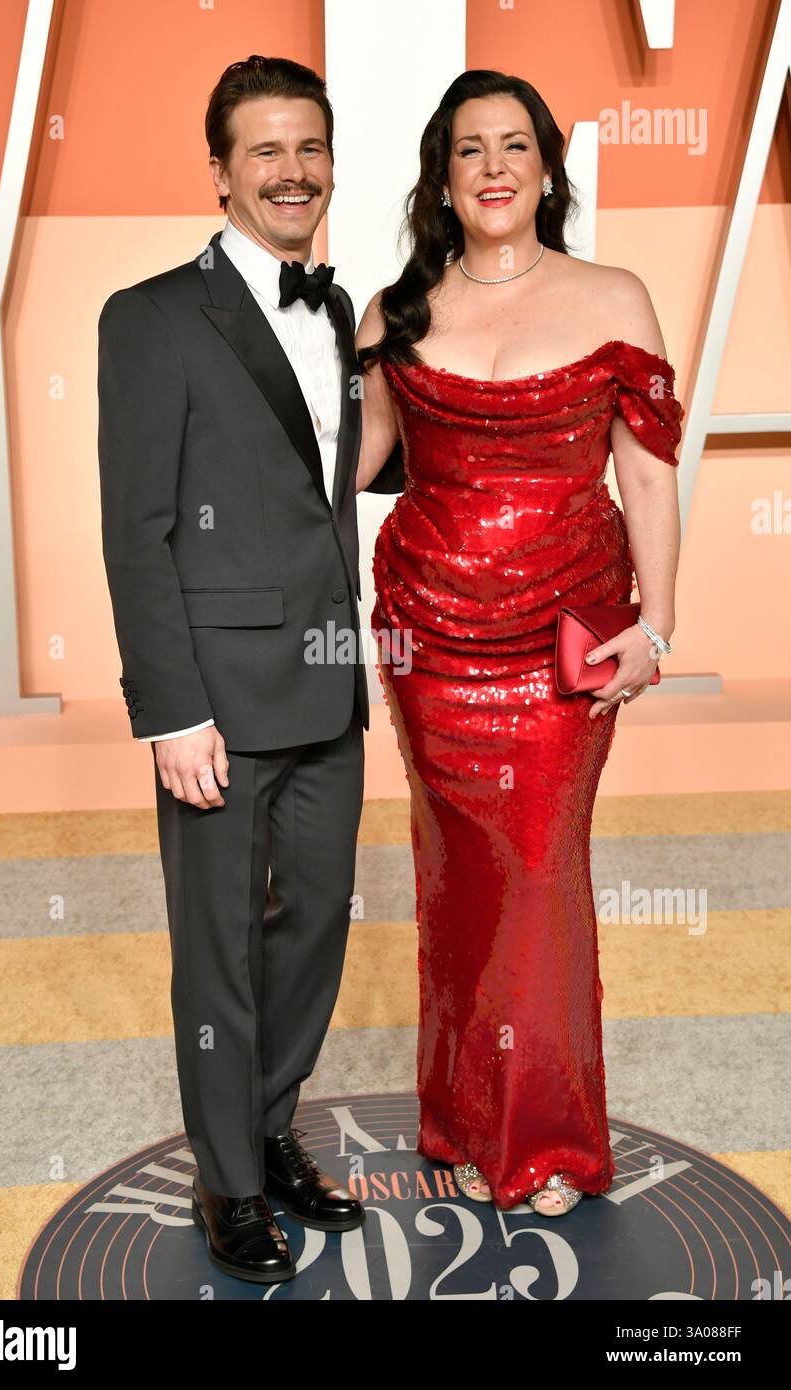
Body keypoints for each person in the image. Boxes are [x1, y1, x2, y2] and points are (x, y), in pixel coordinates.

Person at [355, 70, 683, 1216]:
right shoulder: (398, 311)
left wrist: (658, 622)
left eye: (512, 146)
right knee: (453, 876)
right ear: (441, 178)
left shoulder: (613, 295)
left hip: (565, 634)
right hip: (425, 632)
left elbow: (644, 469)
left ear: (544, 167)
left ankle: (543, 1140)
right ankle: (452, 1122)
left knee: (541, 875)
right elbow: (349, 464)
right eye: (466, 149)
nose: (491, 167)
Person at [97, 54, 399, 1284]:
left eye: (309, 149)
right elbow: (137, 529)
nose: (291, 171)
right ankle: (225, 1181)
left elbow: (343, 482)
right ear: (218, 170)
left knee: (314, 928)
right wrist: (171, 712)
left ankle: (269, 1127)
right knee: (218, 942)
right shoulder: (151, 315)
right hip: (215, 701)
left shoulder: (339, 314)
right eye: (264, 151)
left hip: (328, 684)